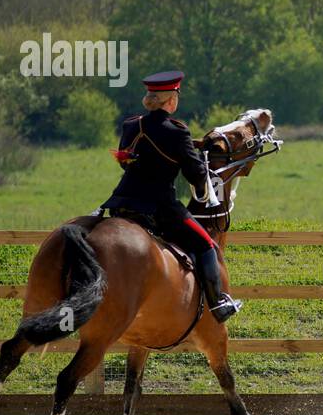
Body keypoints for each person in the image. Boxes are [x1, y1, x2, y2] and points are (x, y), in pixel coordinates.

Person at [101, 70, 241, 323]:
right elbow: (196, 174)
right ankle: (218, 304)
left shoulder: (131, 125)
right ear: (171, 100)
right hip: (160, 208)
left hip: (120, 204)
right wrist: (202, 178)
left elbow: (126, 163)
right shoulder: (177, 132)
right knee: (207, 245)